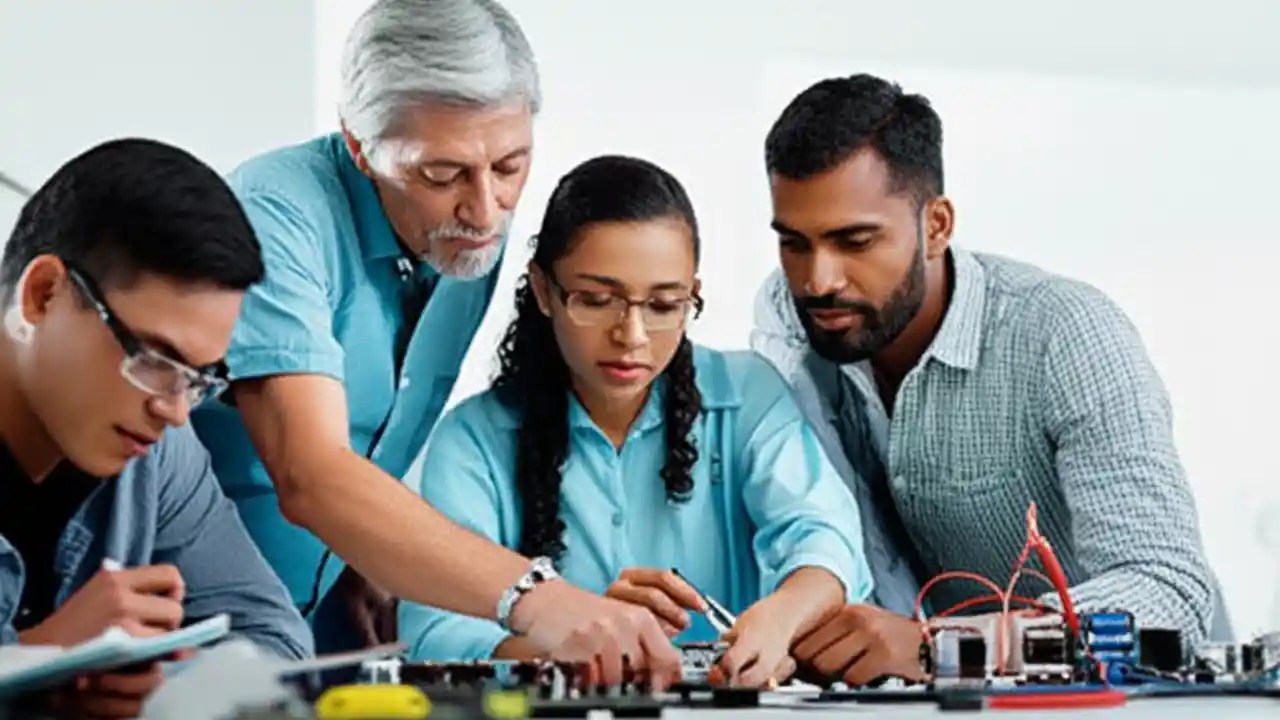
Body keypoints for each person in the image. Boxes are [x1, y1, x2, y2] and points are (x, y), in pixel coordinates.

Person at [188, 0, 680, 680]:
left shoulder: (464, 231)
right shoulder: (274, 212)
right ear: (360, 146)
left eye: (510, 166)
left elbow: (376, 436)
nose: (484, 211)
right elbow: (309, 474)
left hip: (319, 622)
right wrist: (537, 597)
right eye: (441, 175)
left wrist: (371, 552)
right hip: (183, 628)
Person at [750, 73, 1217, 685]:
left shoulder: (1067, 333)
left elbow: (1169, 594)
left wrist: (937, 645)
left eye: (855, 241)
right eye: (795, 244)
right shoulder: (792, 317)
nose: (819, 280)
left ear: (937, 226)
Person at [397, 154, 873, 686]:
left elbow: (825, 538)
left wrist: (780, 619)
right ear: (543, 291)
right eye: (597, 300)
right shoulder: (473, 442)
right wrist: (573, 638)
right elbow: (434, 632)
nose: (633, 335)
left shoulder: (747, 395)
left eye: (665, 305)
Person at [0, 139, 312, 719]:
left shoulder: (161, 453)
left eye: (198, 377)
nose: (175, 410)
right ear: (43, 295)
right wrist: (40, 658)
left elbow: (274, 639)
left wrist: (171, 682)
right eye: (154, 360)